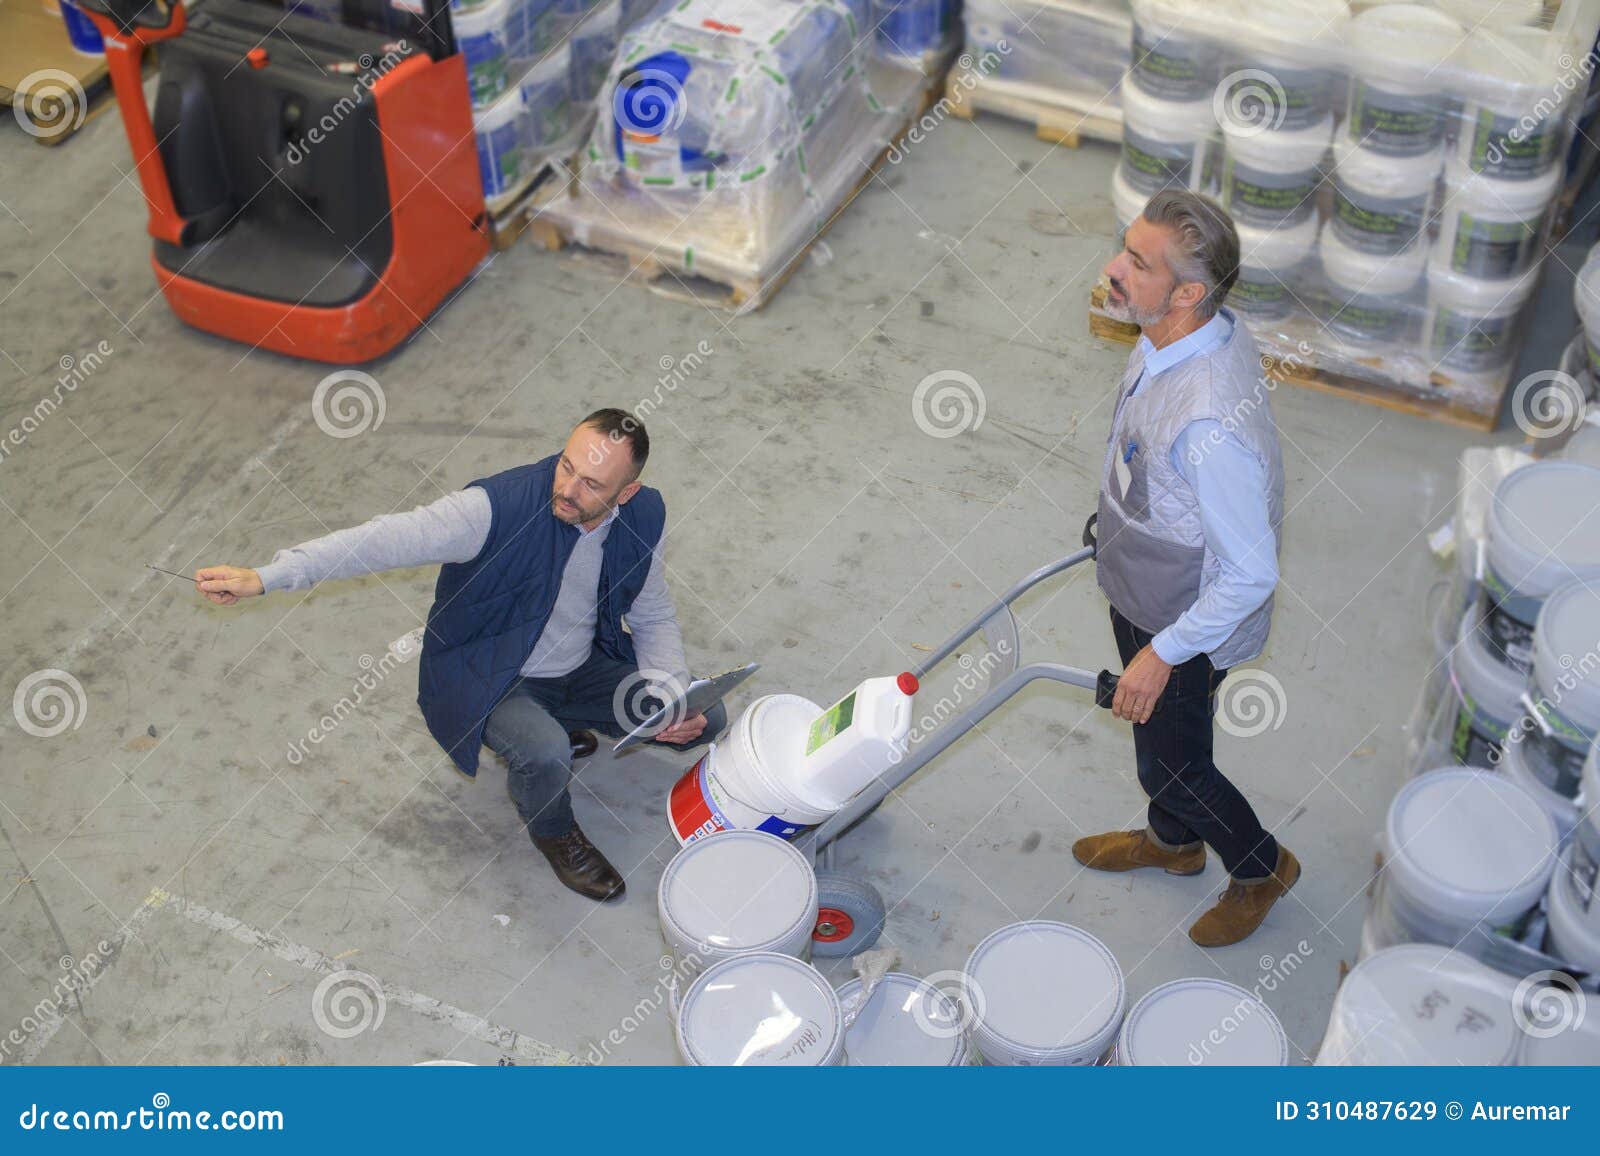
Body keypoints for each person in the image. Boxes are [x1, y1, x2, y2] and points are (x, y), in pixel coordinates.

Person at [193, 409, 721, 904]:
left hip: (581, 664)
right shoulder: (495, 509)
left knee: (706, 714)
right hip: (494, 674)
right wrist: (267, 576)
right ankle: (556, 833)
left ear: (626, 493)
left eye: (591, 484)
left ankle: (560, 718)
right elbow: (381, 540)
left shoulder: (643, 515)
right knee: (544, 753)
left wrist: (673, 696)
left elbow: (652, 616)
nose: (566, 488)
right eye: (566, 466)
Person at [1075, 188, 1298, 948]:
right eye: (1124, 247)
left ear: (1189, 292)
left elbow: (1250, 573)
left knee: (1176, 767)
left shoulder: (1210, 425)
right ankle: (1173, 846)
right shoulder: (1177, 333)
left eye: (1136, 262)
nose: (1113, 268)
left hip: (1183, 618)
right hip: (1145, 574)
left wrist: (1163, 653)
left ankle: (1262, 866)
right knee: (1163, 747)